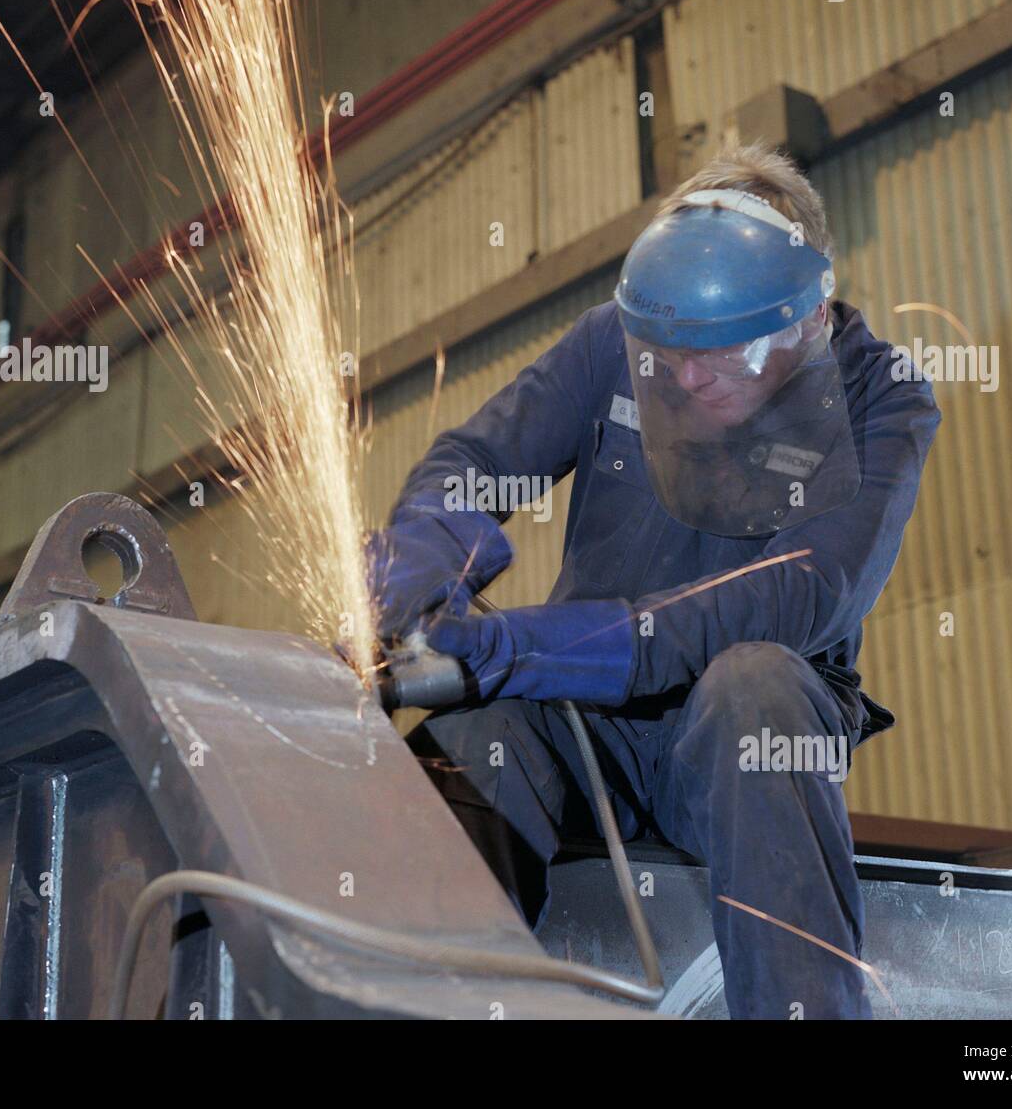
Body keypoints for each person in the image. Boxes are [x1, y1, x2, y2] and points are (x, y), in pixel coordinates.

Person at [369, 142, 940, 1019]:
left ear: (811, 314)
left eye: (721, 350)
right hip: (580, 717)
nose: (686, 373)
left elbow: (805, 591)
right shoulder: (616, 340)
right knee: (480, 732)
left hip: (736, 741)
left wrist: (521, 642)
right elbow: (478, 460)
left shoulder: (882, 394)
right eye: (666, 350)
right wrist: (425, 559)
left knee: (752, 686)